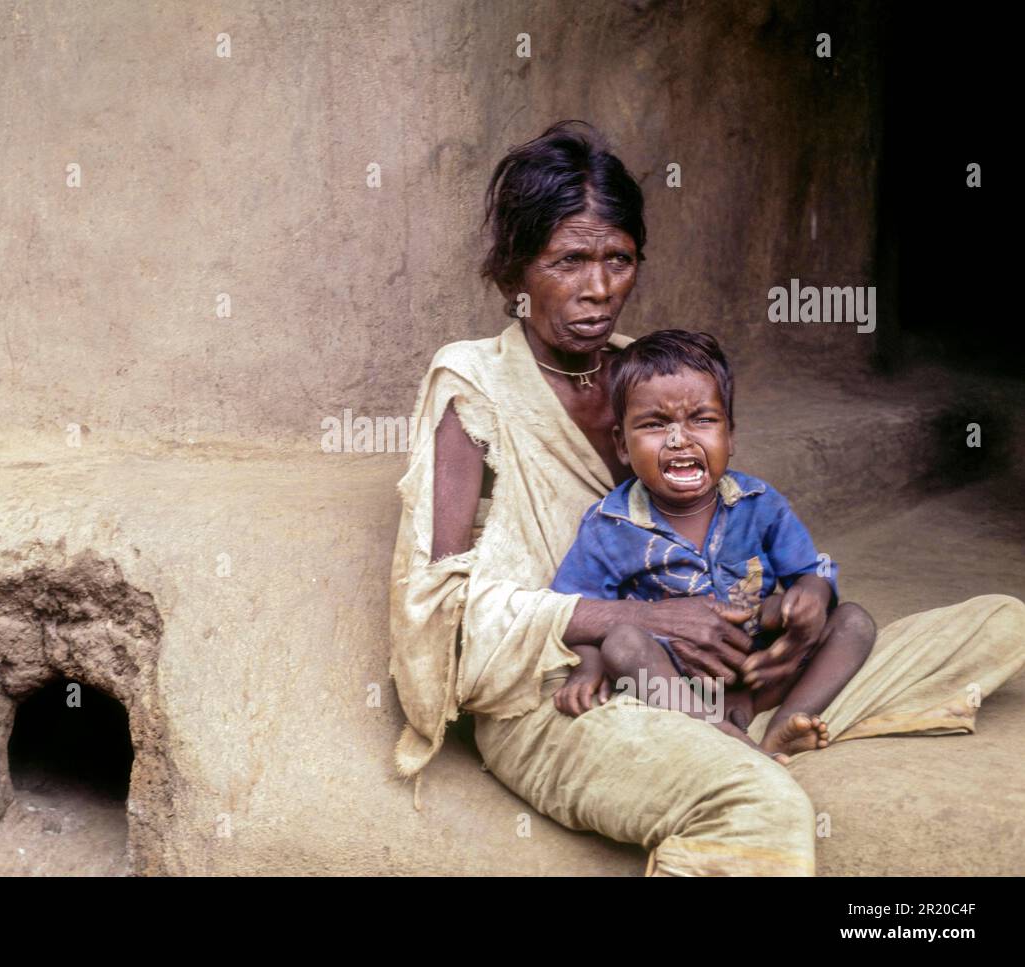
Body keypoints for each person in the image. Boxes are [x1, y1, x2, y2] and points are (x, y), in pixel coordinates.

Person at [387, 119, 1025, 876]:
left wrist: (799, 605)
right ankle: (736, 758)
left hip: (714, 677)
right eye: (568, 261)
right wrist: (642, 618)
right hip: (566, 694)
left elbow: (754, 533)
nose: (599, 289)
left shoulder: (644, 378)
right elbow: (437, 617)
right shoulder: (474, 385)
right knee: (760, 808)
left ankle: (748, 730)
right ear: (513, 274)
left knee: (998, 624)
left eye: (618, 259)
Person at [549, 329, 875, 763]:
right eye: (654, 424)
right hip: (673, 683)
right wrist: (588, 668)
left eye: (702, 420)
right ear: (622, 446)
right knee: (622, 644)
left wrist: (812, 595)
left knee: (853, 621)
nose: (679, 440)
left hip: (761, 672)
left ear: (731, 435)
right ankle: (720, 733)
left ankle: (786, 725)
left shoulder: (760, 504)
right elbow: (574, 609)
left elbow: (810, 571)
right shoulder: (610, 525)